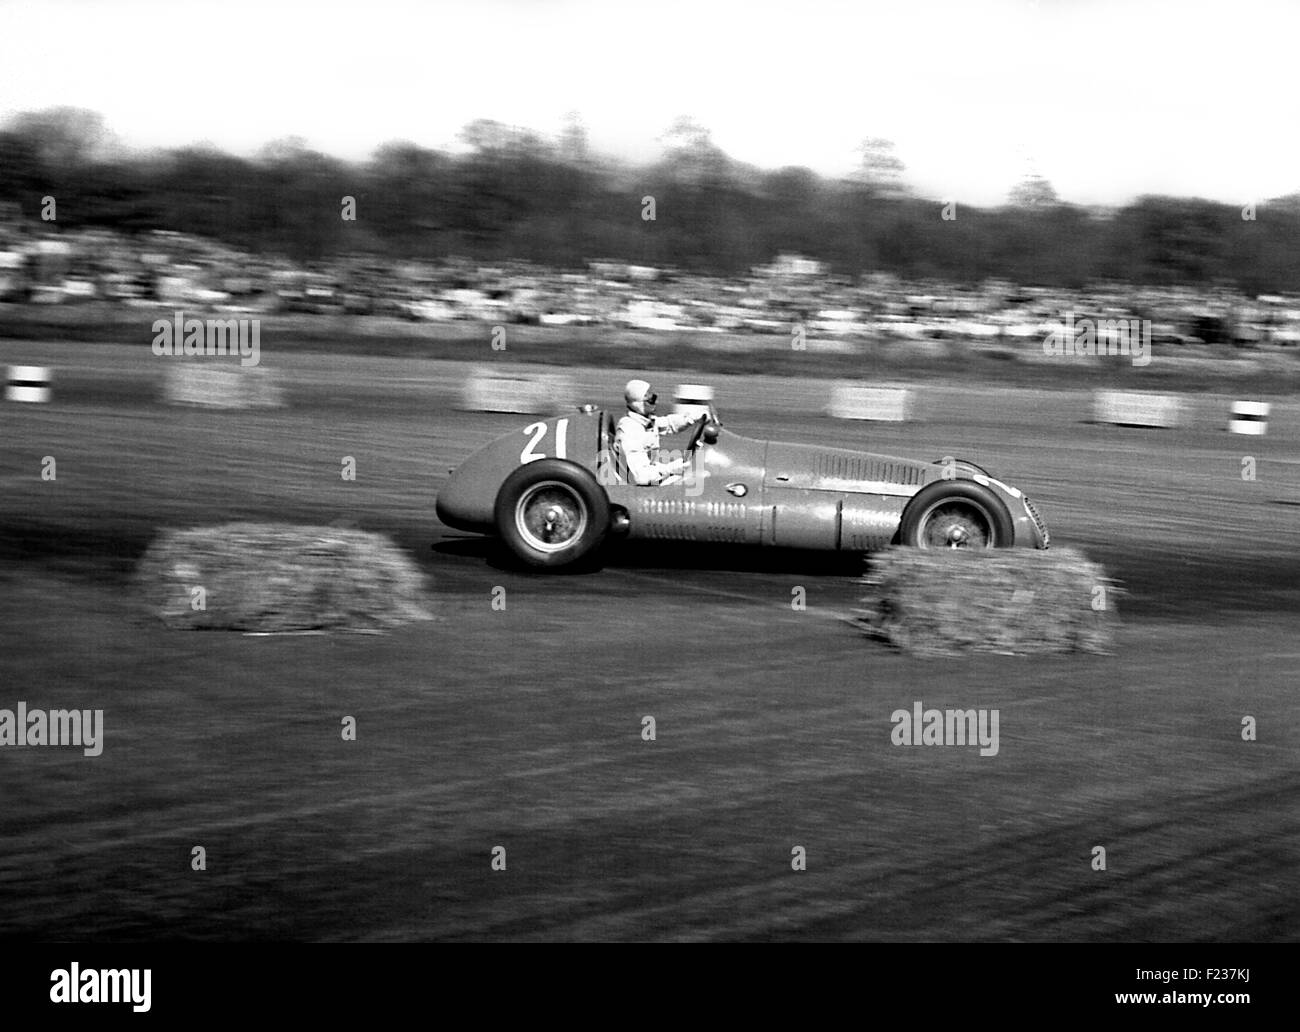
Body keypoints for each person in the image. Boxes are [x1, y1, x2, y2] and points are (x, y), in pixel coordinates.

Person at [614, 379, 704, 485]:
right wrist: (671, 468)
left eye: (654, 397)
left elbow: (669, 424)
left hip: (652, 475)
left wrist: (691, 418)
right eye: (651, 399)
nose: (656, 402)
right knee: (698, 479)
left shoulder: (644, 422)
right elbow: (641, 477)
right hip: (640, 485)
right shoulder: (631, 431)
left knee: (699, 473)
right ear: (639, 403)